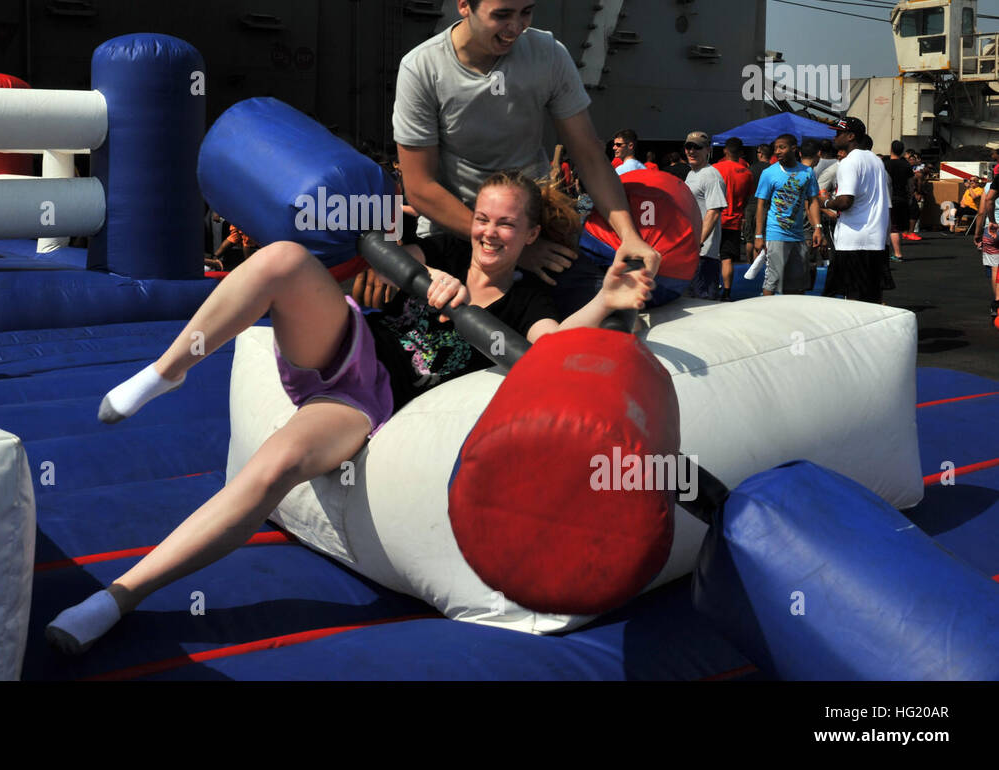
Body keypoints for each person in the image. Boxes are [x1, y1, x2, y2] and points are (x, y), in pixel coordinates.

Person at [48, 172, 654, 655]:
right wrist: (425, 271)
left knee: (271, 467)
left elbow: (548, 349)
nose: (489, 234)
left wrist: (604, 299)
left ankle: (120, 596)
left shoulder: (525, 299)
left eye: (506, 225)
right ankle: (169, 369)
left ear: (528, 237)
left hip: (365, 399)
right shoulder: (443, 247)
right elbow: (394, 246)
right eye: (483, 219)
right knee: (282, 256)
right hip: (348, 342)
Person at [391, 0, 660, 290]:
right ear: (464, 4)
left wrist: (629, 234)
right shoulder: (421, 69)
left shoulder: (549, 54)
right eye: (502, 15)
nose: (516, 28)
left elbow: (588, 154)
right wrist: (509, 248)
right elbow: (420, 187)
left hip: (536, 233)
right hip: (456, 236)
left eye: (526, 12)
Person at [821, 117, 890, 304]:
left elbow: (844, 202)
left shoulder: (849, 162)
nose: (834, 137)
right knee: (873, 295)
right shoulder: (876, 161)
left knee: (852, 296)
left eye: (838, 133)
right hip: (876, 239)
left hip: (853, 239)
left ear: (851, 136)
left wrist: (825, 202)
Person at [753, 134, 822, 296]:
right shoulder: (769, 173)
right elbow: (761, 206)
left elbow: (813, 201)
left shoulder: (807, 172)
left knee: (798, 284)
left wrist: (818, 228)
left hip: (798, 236)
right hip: (776, 233)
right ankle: (767, 316)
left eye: (782, 147)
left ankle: (791, 317)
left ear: (794, 149)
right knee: (772, 280)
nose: (777, 151)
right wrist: (758, 235)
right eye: (776, 148)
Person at [683, 131, 727, 299]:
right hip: (691, 251)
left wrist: (699, 241)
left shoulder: (711, 175)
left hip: (704, 253)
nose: (691, 151)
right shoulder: (691, 174)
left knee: (704, 304)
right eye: (689, 147)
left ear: (708, 150)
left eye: (697, 147)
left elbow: (714, 211)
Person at [712, 137, 755, 301]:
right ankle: (727, 292)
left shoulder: (716, 169)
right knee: (727, 258)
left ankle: (712, 286)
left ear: (725, 150)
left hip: (715, 218)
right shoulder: (746, 173)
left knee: (711, 256)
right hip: (735, 219)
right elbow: (746, 198)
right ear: (741, 152)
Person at [884, 140, 914, 261]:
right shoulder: (906, 165)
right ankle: (894, 253)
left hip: (889, 198)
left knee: (892, 228)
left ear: (891, 149)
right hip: (902, 198)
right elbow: (911, 184)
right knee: (898, 227)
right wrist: (910, 197)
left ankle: (897, 254)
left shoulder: (885, 164)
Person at [974, 176, 999, 319]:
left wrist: (977, 234)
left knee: (995, 266)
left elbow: (981, 212)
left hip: (992, 230)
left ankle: (997, 302)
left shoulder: (989, 187)